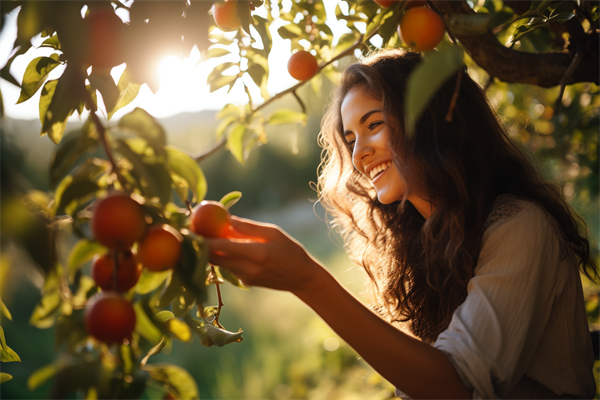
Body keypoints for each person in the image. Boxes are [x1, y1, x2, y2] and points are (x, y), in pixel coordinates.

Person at [207, 49, 597, 399]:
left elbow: (458, 385)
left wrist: (309, 280)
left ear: (430, 121)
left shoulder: (520, 226)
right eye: (350, 138)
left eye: (373, 125)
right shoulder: (428, 241)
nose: (359, 153)